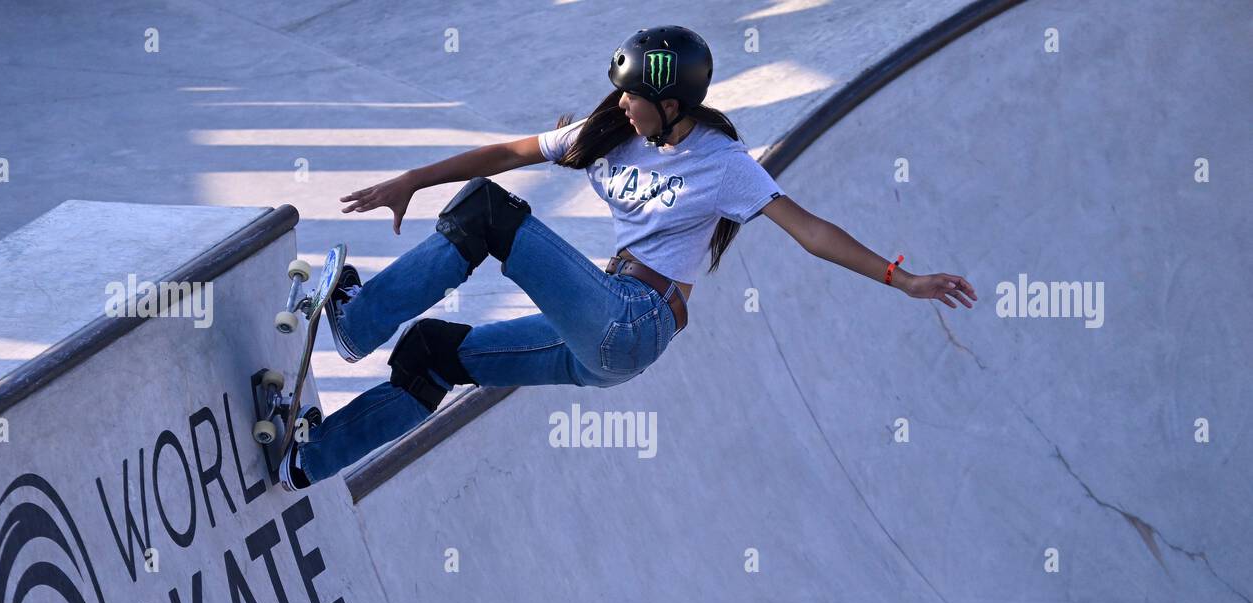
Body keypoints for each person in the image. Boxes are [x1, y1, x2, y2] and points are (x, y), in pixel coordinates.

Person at [280, 24, 976, 490]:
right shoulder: (614, 132)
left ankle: (355, 324)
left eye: (635, 96)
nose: (621, 103)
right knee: (433, 353)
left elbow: (811, 231)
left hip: (633, 321)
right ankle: (307, 465)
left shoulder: (723, 163)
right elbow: (506, 152)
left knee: (488, 212)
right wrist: (412, 181)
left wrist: (902, 278)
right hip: (593, 340)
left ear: (671, 105)